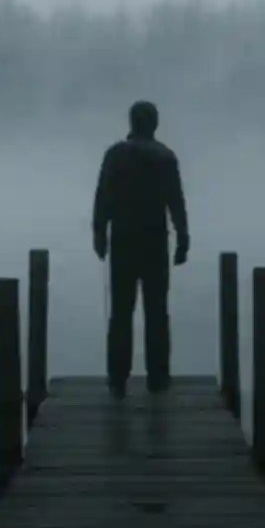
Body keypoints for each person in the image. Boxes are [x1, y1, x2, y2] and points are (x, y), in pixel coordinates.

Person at [92, 100, 189, 400]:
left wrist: (99, 233)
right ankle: (157, 378)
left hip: (123, 240)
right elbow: (175, 201)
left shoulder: (115, 154)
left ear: (132, 123)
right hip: (154, 241)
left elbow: (103, 197)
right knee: (157, 311)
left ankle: (117, 378)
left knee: (121, 311)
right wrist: (183, 237)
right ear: (154, 124)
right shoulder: (165, 156)